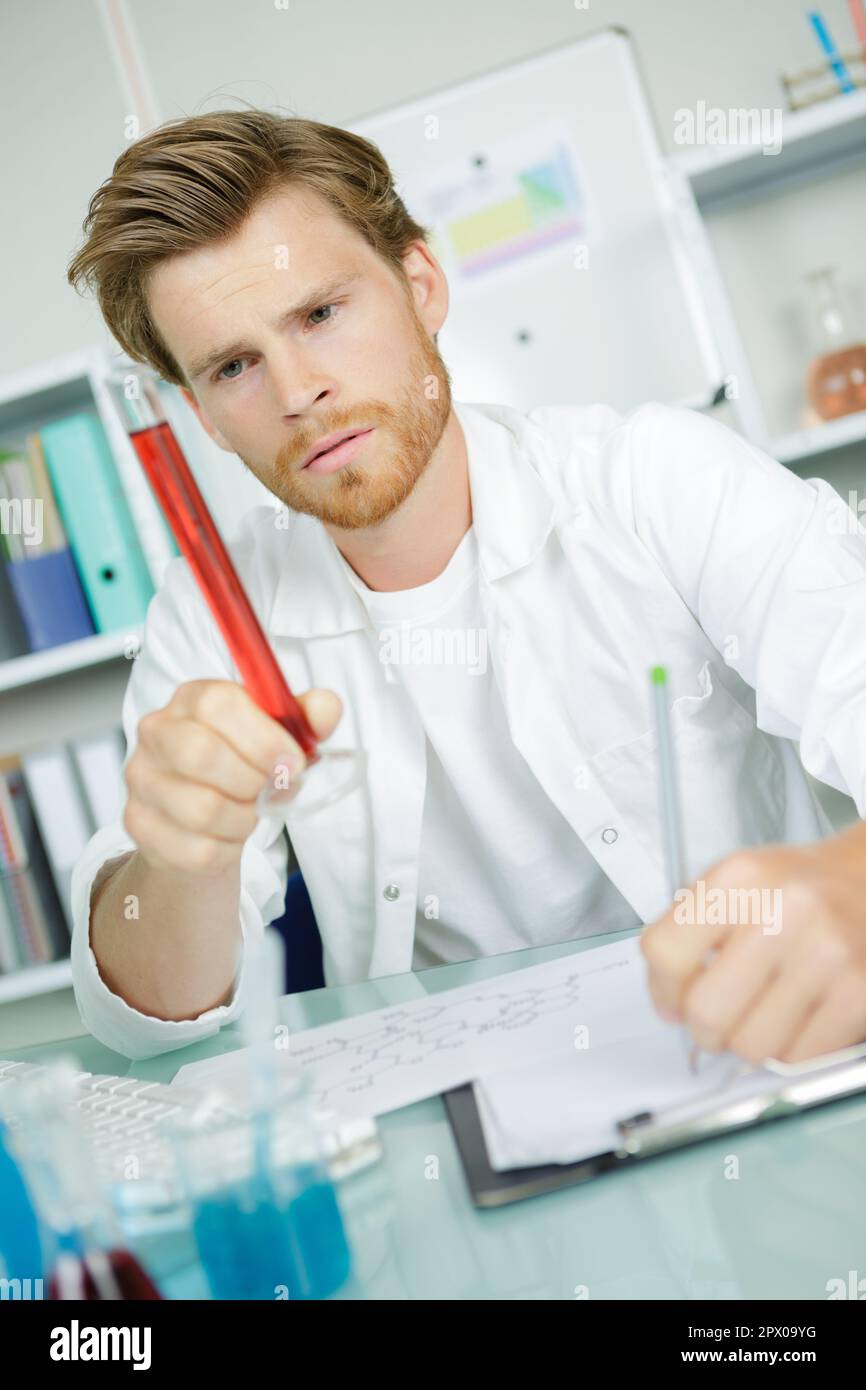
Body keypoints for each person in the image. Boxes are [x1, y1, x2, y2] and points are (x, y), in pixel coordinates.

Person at [66, 110, 866, 1062]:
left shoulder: (658, 479)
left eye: (320, 314)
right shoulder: (209, 617)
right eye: (234, 365)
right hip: (459, 1129)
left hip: (761, 1058)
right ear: (201, 415)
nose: (296, 391)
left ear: (420, 283)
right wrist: (176, 860)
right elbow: (143, 1020)